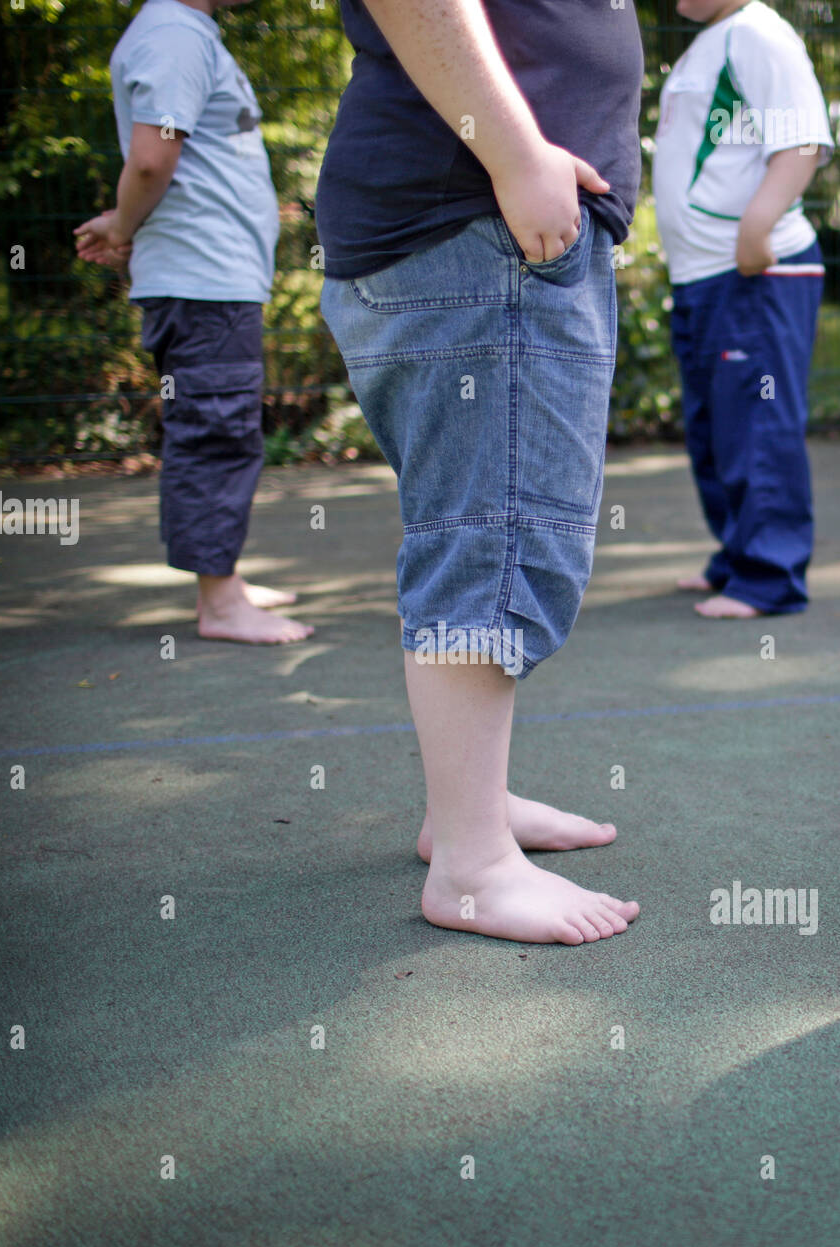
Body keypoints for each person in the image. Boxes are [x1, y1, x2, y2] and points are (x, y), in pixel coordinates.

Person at [316, 0, 644, 944]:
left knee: (483, 526)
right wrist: (513, 153)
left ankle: (472, 810)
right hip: (476, 218)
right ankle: (471, 865)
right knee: (490, 543)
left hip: (476, 220)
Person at [74, 0, 313, 645]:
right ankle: (220, 604)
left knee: (221, 423)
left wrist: (122, 224)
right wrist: (122, 227)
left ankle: (223, 582)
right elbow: (153, 159)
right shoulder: (174, 33)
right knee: (216, 428)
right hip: (202, 278)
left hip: (212, 276)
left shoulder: (183, 34)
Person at [654, 0, 834, 618]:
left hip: (754, 271)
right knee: (716, 426)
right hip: (706, 277)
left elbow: (803, 136)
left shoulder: (757, 32)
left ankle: (770, 576)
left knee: (757, 425)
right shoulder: (710, 42)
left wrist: (758, 225)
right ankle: (738, 554)